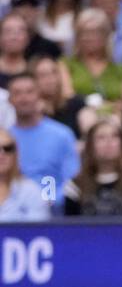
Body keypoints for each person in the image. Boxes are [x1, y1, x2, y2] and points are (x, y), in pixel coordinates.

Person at [5, 72, 77, 208]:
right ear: (9, 99)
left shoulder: (62, 135)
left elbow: (73, 181)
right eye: (17, 93)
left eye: (29, 92)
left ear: (39, 96)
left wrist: (50, 200)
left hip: (54, 214)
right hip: (11, 214)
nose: (24, 98)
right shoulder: (4, 140)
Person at [62, 119, 122, 216]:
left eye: (115, 136)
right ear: (90, 146)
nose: (109, 142)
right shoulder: (75, 186)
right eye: (101, 137)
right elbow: (70, 227)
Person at [0, 126, 50, 220]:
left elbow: (39, 231)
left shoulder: (31, 191)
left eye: (8, 148)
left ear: (16, 154)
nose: (2, 154)